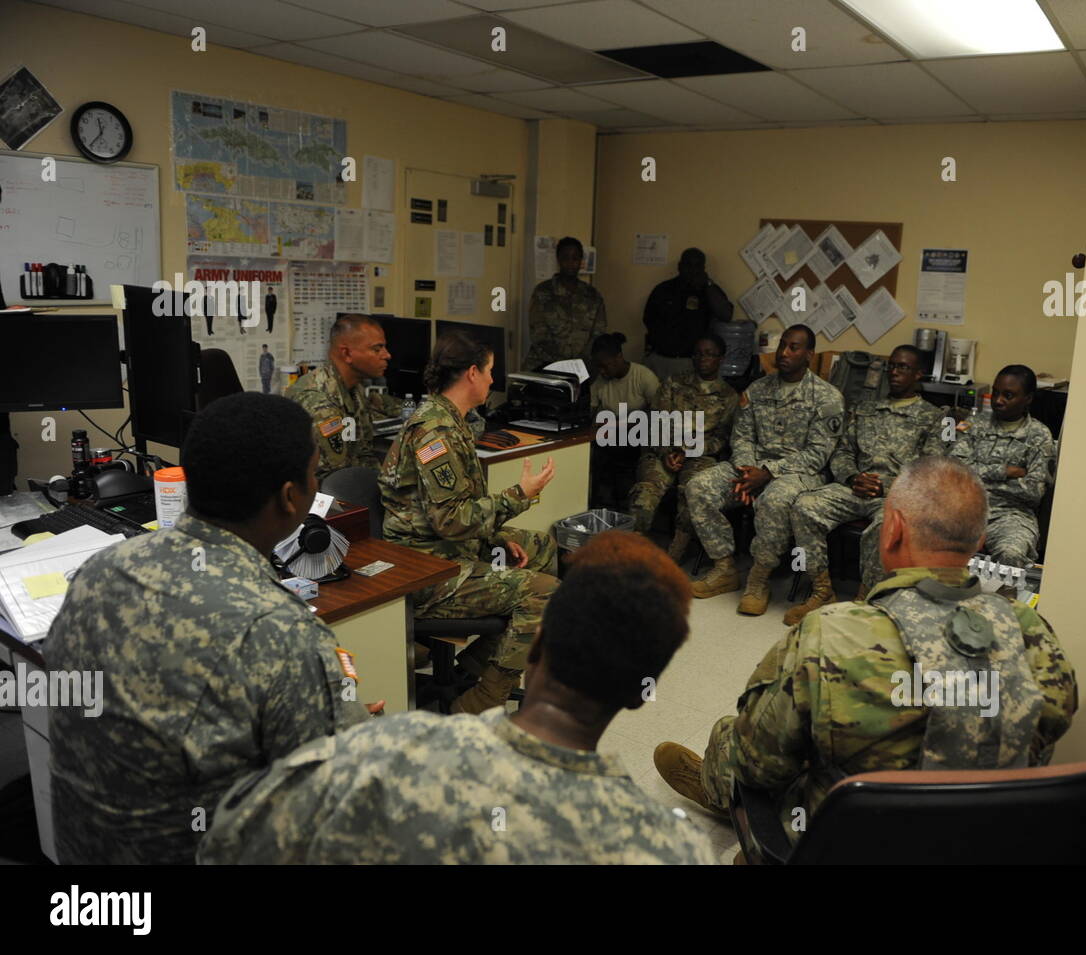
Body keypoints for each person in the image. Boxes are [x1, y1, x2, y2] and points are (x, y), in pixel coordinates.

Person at [197, 532, 715, 865]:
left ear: (535, 645)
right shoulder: (669, 849)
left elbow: (228, 841)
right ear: (638, 693)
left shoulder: (388, 748)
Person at [654, 456, 1077, 833]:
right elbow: (1042, 737)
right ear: (980, 540)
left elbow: (757, 764)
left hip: (847, 841)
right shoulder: (1032, 631)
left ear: (890, 531)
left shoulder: (828, 633)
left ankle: (723, 799)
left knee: (731, 736)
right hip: (976, 838)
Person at [43, 394, 370, 865]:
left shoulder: (100, 570)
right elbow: (335, 804)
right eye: (313, 473)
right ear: (290, 496)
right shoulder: (279, 631)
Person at [380, 330, 558, 714]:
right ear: (472, 373)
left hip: (443, 546)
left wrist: (493, 534)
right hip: (425, 570)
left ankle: (475, 670)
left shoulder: (453, 419)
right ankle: (482, 700)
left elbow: (455, 509)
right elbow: (451, 519)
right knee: (544, 591)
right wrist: (520, 494)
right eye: (491, 371)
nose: (494, 380)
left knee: (540, 546)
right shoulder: (435, 431)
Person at [685, 324, 843, 615]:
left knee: (775, 499)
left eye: (793, 347)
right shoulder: (757, 390)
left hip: (800, 474)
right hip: (751, 467)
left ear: (809, 354)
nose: (784, 353)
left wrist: (768, 473)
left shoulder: (827, 398)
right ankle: (724, 568)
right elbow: (742, 436)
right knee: (699, 486)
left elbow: (818, 455)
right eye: (782, 345)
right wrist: (748, 472)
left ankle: (759, 579)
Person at [785, 344, 947, 625]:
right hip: (855, 487)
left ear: (918, 374)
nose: (895, 372)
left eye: (904, 367)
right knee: (804, 506)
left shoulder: (932, 418)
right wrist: (852, 478)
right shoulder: (865, 408)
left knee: (886, 525)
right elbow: (843, 452)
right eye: (892, 366)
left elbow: (931, 472)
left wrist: (890, 488)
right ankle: (822, 590)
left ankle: (864, 601)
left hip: (896, 496)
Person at [627, 332, 739, 559]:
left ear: (721, 358)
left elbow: (722, 439)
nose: (702, 359)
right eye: (698, 354)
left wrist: (689, 450)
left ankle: (675, 554)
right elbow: (657, 422)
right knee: (645, 492)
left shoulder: (728, 396)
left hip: (701, 455)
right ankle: (634, 550)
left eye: (710, 354)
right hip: (662, 450)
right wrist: (668, 451)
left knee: (692, 493)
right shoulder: (674, 383)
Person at [951, 365, 1055, 567]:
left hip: (1011, 516)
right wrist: (1003, 472)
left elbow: (1033, 491)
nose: (998, 400)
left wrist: (977, 477)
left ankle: (1005, 599)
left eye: (1008, 395)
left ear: (1028, 399)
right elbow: (954, 470)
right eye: (996, 393)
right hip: (964, 510)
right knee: (928, 542)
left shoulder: (1040, 436)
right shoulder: (973, 424)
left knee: (1011, 554)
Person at [285, 313, 403, 481]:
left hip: (349, 484)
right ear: (347, 354)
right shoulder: (322, 405)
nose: (387, 355)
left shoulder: (354, 388)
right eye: (377, 349)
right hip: (317, 497)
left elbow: (363, 453)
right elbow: (333, 478)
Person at [589, 332, 660, 510]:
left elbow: (657, 414)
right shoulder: (601, 381)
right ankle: (602, 508)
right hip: (608, 437)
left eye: (605, 366)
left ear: (619, 357)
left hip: (636, 436)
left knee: (623, 462)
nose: (602, 371)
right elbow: (592, 410)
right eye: (599, 367)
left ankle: (623, 510)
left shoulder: (644, 377)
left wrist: (618, 425)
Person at [642, 248, 734, 381]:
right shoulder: (663, 289)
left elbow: (726, 315)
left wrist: (707, 284)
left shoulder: (709, 291)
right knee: (655, 400)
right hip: (660, 360)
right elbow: (647, 319)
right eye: (688, 265)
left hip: (691, 362)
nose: (692, 270)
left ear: (703, 268)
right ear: (680, 266)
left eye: (697, 266)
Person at [523, 236, 607, 371]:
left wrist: (579, 363)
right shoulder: (543, 292)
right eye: (565, 258)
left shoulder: (593, 296)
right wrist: (562, 364)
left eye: (575, 258)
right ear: (558, 260)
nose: (570, 263)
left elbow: (598, 334)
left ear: (581, 261)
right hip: (545, 365)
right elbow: (538, 334)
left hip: (581, 368)